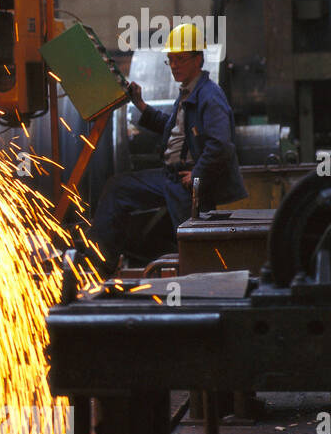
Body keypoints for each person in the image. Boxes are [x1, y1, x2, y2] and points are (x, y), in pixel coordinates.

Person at [88, 22, 246, 274]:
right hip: (171, 178)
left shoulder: (209, 96)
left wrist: (198, 174)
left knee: (193, 249)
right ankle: (97, 266)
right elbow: (172, 129)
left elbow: (221, 144)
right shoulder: (188, 92)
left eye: (180, 59)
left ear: (199, 59)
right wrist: (140, 105)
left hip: (188, 184)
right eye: (170, 60)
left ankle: (200, 288)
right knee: (118, 189)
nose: (174, 66)